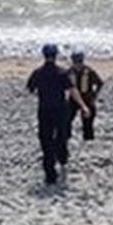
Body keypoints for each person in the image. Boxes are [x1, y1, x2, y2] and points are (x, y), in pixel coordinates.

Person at [26, 43, 91, 186]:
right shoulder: (62, 73)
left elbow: (31, 89)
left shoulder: (38, 73)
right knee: (61, 136)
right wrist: (83, 106)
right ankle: (62, 158)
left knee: (45, 139)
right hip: (60, 109)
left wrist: (42, 94)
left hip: (44, 110)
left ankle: (50, 174)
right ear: (56, 56)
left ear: (44, 56)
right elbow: (73, 90)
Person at [68, 48, 104, 141]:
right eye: (75, 61)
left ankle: (88, 140)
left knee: (88, 122)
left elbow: (100, 83)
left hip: (87, 98)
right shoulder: (70, 71)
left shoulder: (89, 71)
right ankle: (66, 138)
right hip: (73, 99)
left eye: (79, 61)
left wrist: (95, 96)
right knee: (66, 119)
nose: (77, 64)